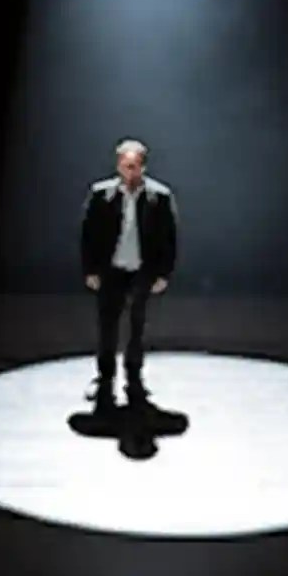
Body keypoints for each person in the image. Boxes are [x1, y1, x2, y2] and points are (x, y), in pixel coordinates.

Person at [80, 138, 179, 412]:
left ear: (143, 167)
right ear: (118, 166)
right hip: (111, 270)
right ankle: (105, 376)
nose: (130, 171)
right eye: (125, 166)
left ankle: (134, 376)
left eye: (134, 166)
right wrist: (90, 269)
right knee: (107, 325)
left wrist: (164, 273)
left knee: (137, 326)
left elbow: (169, 238)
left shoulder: (159, 196)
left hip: (142, 270)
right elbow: (88, 235)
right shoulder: (102, 194)